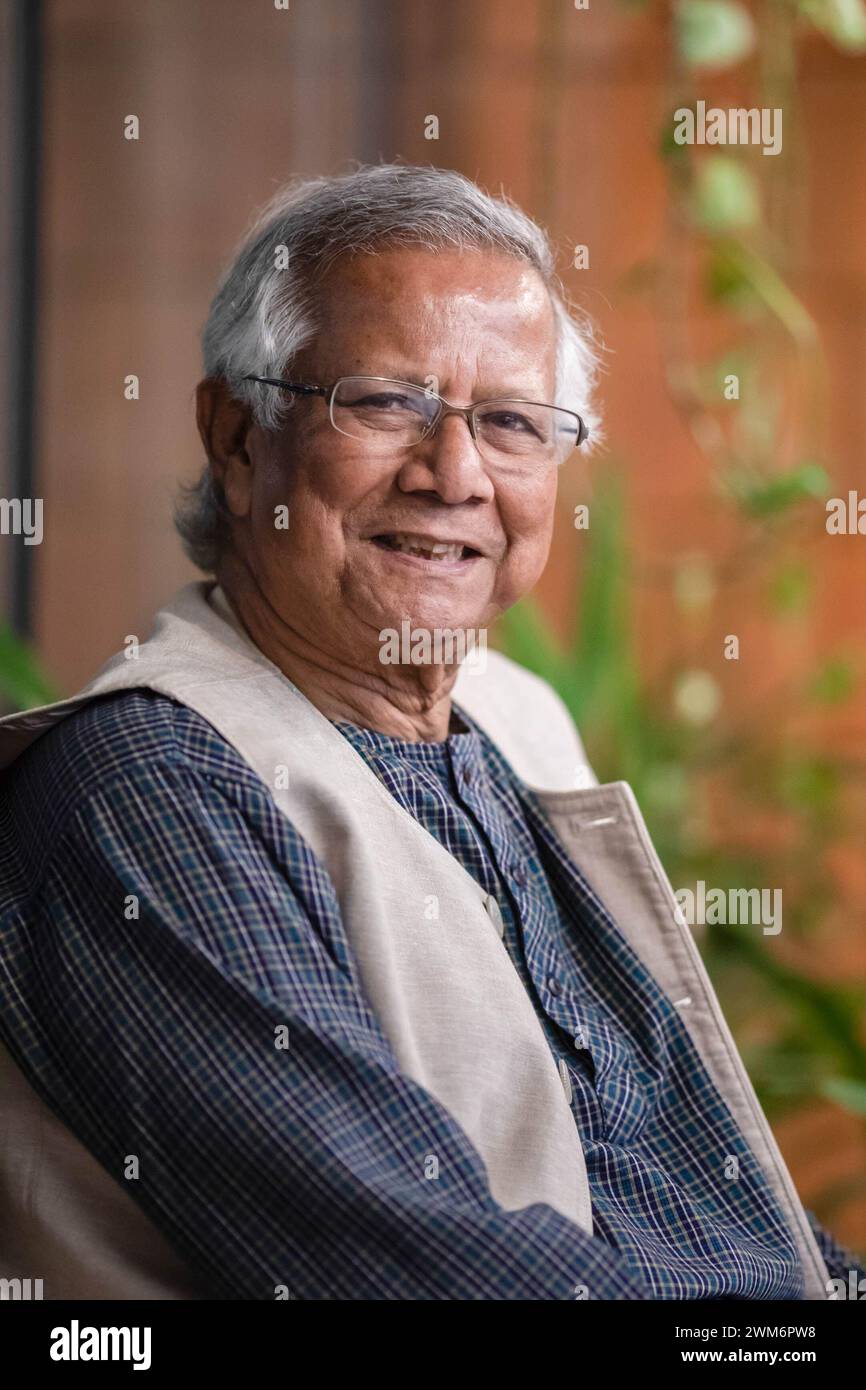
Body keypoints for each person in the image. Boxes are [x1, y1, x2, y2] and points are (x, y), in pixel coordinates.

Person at [0, 163, 860, 1301]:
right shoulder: (153, 790)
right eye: (383, 401)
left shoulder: (515, 721)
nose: (453, 474)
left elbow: (698, 1194)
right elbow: (414, 1268)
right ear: (236, 434)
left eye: (509, 423)